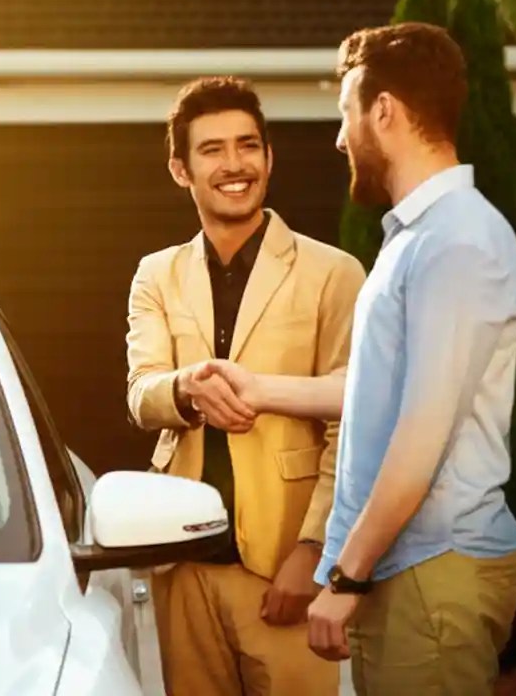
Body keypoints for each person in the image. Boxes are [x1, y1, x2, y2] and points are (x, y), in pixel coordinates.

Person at [202, 23, 516, 696]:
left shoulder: (458, 242)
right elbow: (378, 393)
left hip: (431, 572)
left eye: (346, 113)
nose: (339, 137)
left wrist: (345, 572)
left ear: (384, 112)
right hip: (408, 571)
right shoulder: (419, 239)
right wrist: (258, 388)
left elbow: (422, 432)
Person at [124, 75, 365, 696]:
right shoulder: (156, 274)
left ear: (269, 157)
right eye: (212, 150)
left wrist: (314, 550)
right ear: (181, 169)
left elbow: (353, 419)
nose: (235, 165)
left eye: (248, 145)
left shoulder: (334, 272)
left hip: (284, 565)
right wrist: (187, 387)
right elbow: (142, 393)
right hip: (185, 563)